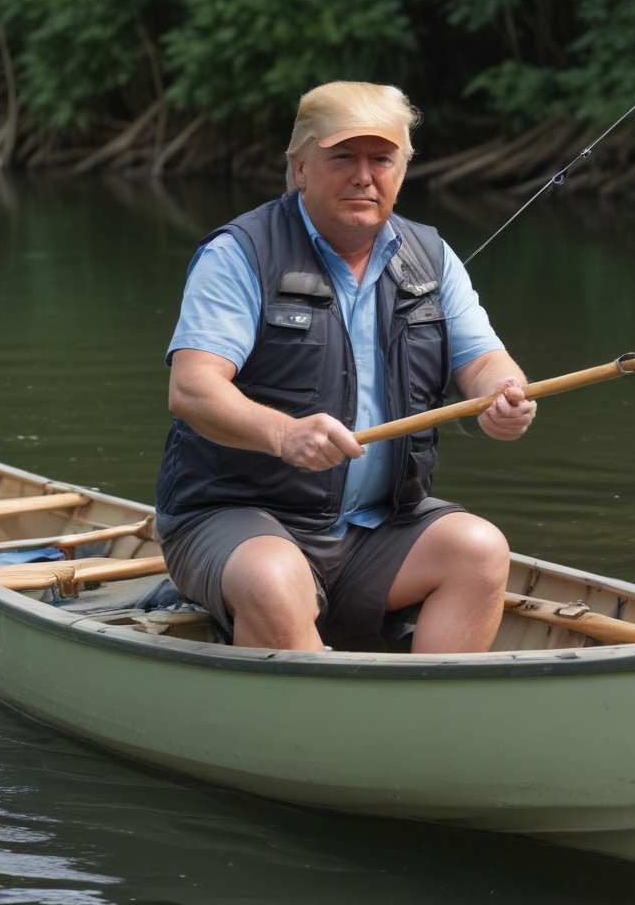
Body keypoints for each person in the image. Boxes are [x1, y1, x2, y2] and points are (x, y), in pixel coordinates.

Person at [154, 81, 536, 654]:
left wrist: (504, 395)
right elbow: (193, 390)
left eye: (382, 159)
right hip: (237, 518)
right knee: (273, 579)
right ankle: (312, 737)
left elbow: (483, 361)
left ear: (402, 170)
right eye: (343, 158)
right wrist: (284, 434)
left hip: (379, 526)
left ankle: (424, 727)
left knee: (479, 549)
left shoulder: (432, 256)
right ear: (300, 167)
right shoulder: (240, 254)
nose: (364, 176)